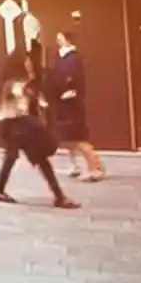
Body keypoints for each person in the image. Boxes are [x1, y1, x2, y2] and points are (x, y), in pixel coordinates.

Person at [0, 50, 79, 209]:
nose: (29, 63)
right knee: (38, 159)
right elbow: (24, 94)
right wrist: (35, 84)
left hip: (15, 124)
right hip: (14, 124)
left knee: (13, 157)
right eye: (26, 61)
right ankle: (59, 197)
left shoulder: (16, 82)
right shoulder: (14, 83)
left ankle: (0, 190)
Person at [45, 31, 106, 182]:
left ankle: (96, 168)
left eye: (60, 37)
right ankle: (76, 166)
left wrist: (71, 90)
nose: (57, 40)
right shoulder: (61, 58)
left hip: (71, 103)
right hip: (63, 102)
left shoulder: (73, 58)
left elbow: (74, 78)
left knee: (78, 137)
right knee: (68, 138)